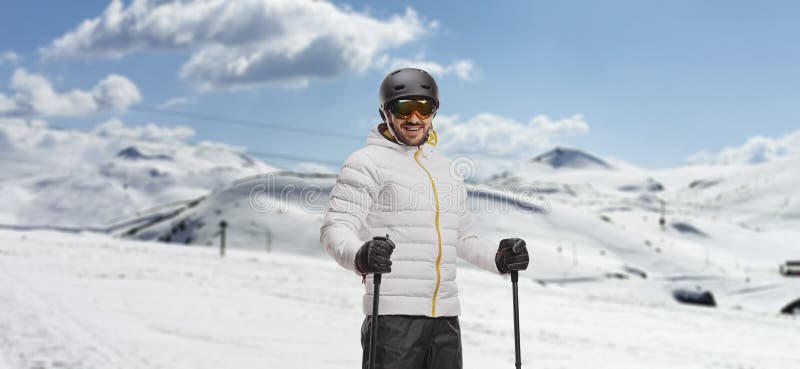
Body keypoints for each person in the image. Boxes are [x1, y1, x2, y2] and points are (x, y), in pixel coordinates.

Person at [320, 68, 530, 369]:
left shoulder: (445, 169)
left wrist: (499, 257)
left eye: (425, 107)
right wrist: (360, 255)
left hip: (445, 320)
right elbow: (335, 229)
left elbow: (462, 237)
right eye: (404, 107)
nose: (414, 117)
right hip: (392, 320)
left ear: (434, 112)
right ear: (386, 112)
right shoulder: (366, 163)